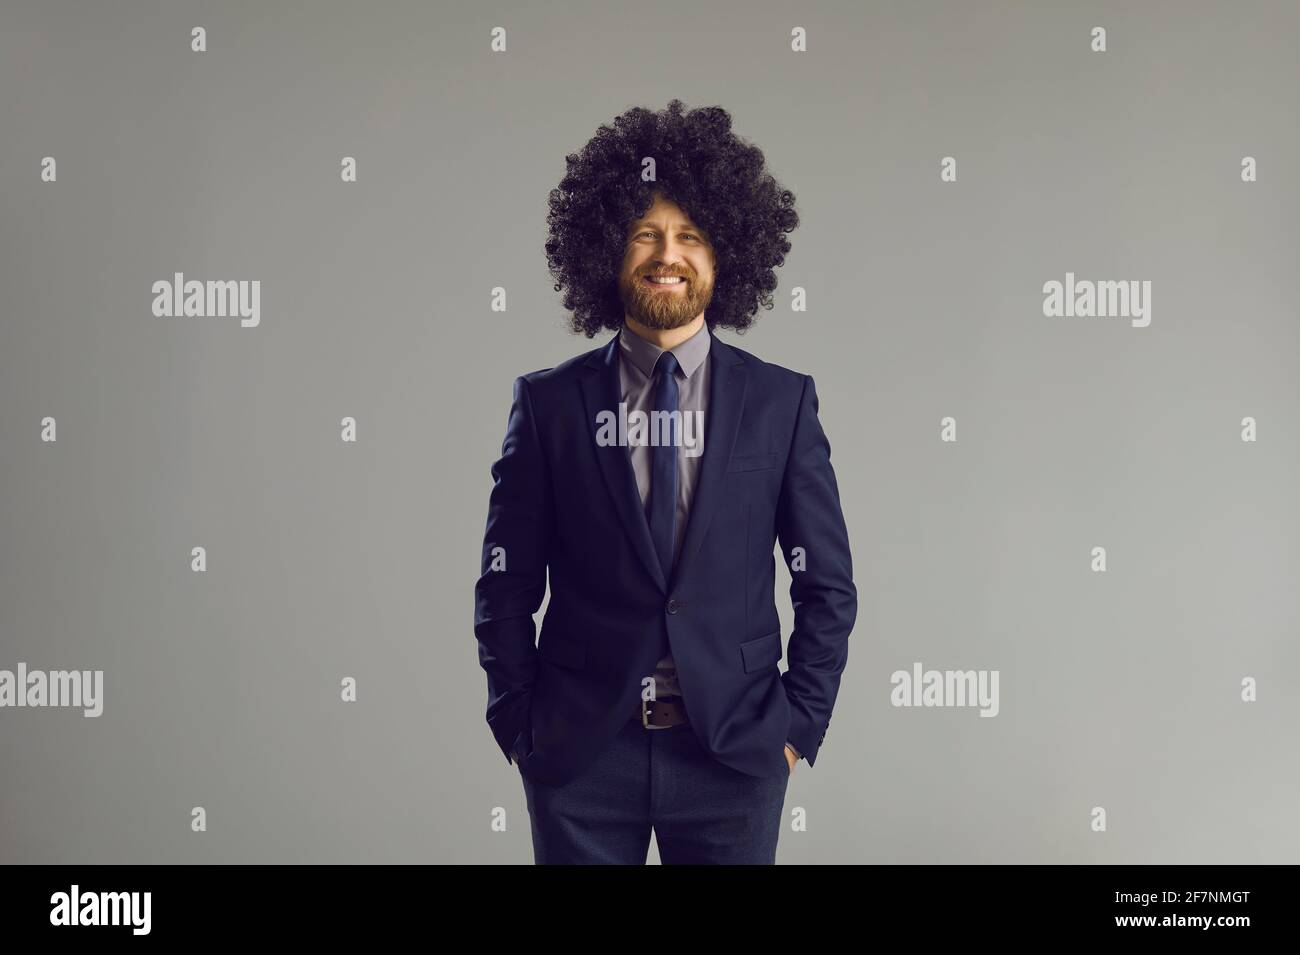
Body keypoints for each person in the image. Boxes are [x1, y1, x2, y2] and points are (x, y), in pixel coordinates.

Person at [474, 99, 857, 864]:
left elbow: (828, 586)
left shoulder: (781, 403)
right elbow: (504, 583)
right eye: (645, 233)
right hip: (582, 754)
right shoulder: (550, 404)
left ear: (727, 253)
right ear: (607, 250)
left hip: (735, 755)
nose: (666, 255)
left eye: (689, 235)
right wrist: (519, 723)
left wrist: (795, 728)